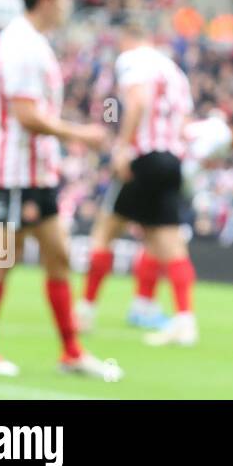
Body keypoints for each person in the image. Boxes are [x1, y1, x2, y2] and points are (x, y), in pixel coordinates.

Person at [0, 0, 119, 379]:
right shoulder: (20, 45)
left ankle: (71, 352)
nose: (70, 5)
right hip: (19, 171)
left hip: (37, 171)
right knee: (4, 256)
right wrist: (80, 134)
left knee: (58, 254)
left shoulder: (32, 43)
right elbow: (26, 115)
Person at [77, 23, 198, 347]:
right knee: (168, 241)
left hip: (144, 158)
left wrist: (123, 148)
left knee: (105, 231)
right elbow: (185, 124)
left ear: (126, 40)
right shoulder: (174, 71)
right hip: (173, 161)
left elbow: (139, 101)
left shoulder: (132, 59)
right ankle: (185, 320)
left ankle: (85, 310)